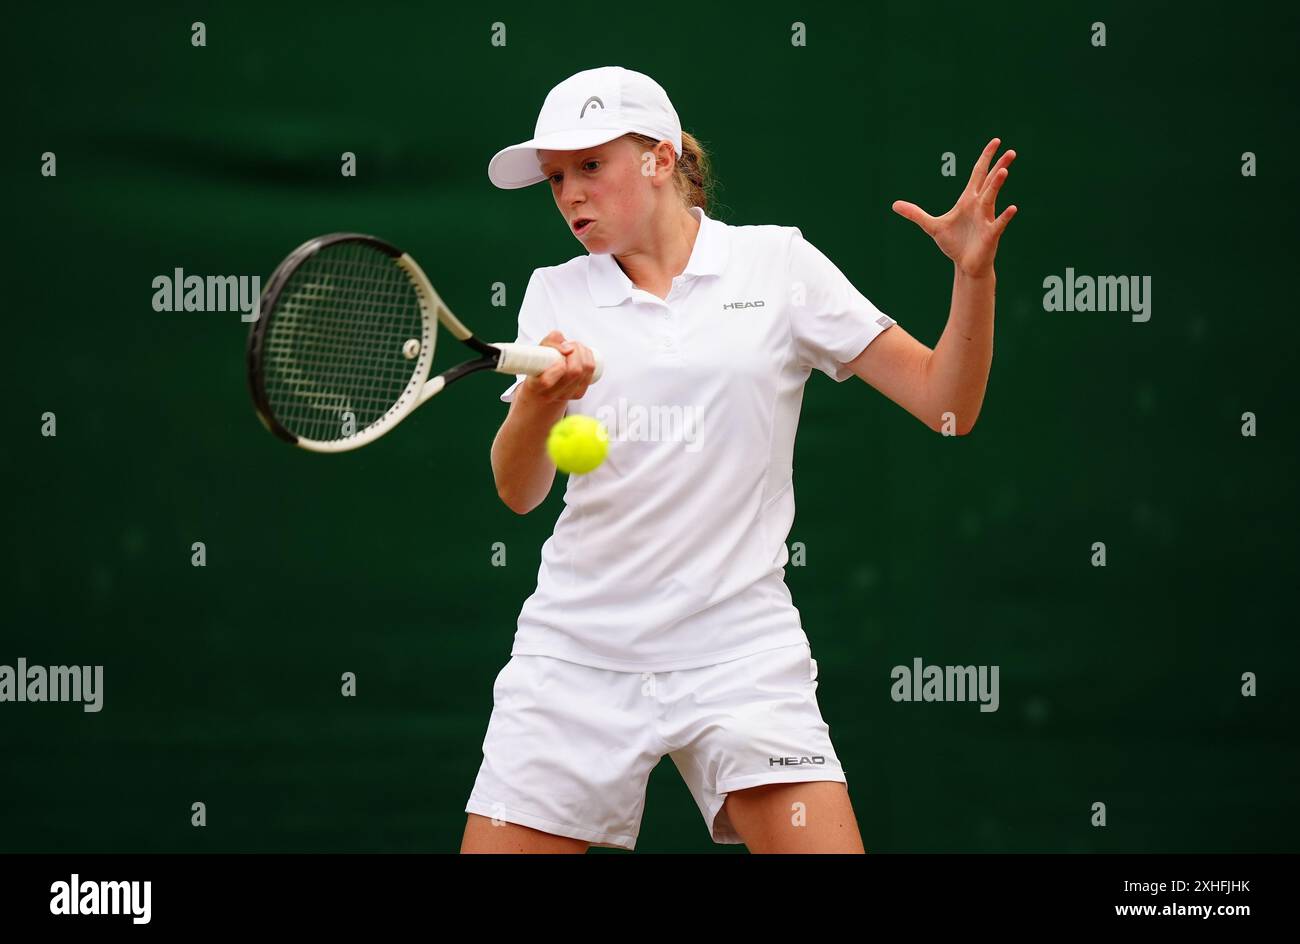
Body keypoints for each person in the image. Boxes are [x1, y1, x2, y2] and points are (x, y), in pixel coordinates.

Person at [462, 66, 1016, 853]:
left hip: (740, 656)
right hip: (577, 658)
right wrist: (548, 399)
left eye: (590, 166)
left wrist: (974, 277)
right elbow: (519, 493)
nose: (569, 194)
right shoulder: (555, 293)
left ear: (659, 159)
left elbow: (947, 406)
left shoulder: (778, 266)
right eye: (554, 177)